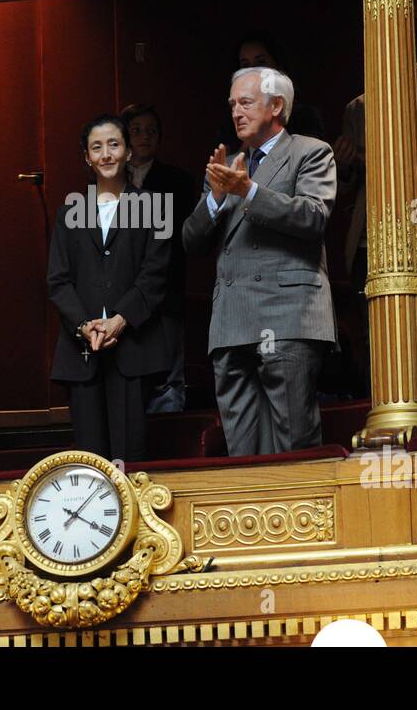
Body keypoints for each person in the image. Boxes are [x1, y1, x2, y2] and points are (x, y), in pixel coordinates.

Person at [183, 67, 337, 456]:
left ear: (276, 106)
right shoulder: (226, 166)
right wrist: (216, 198)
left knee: (293, 446)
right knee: (243, 453)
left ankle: (303, 519)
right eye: (232, 104)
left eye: (246, 102)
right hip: (231, 324)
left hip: (287, 317)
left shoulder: (310, 151)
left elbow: (313, 217)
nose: (236, 111)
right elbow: (190, 240)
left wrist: (249, 191)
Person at [336, 47, 417, 432]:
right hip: (370, 234)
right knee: (376, 340)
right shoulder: (357, 107)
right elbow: (351, 183)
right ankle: (386, 432)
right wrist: (346, 165)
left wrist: (363, 156)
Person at [48, 115, 171, 462]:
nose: (106, 154)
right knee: (90, 460)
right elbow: (58, 281)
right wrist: (85, 325)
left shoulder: (152, 207)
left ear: (129, 152)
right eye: (96, 147)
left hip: (134, 346)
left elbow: (156, 275)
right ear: (87, 157)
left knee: (132, 456)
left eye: (114, 145)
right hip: (82, 350)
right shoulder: (69, 211)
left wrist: (120, 319)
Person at [121, 103, 195, 413]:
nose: (144, 137)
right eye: (136, 130)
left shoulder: (178, 181)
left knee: (167, 378)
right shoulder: (107, 180)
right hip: (121, 293)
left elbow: (183, 239)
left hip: (165, 289)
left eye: (151, 131)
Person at [216, 33, 326, 145]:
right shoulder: (233, 120)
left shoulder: (304, 117)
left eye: (261, 62)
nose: (252, 70)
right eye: (245, 65)